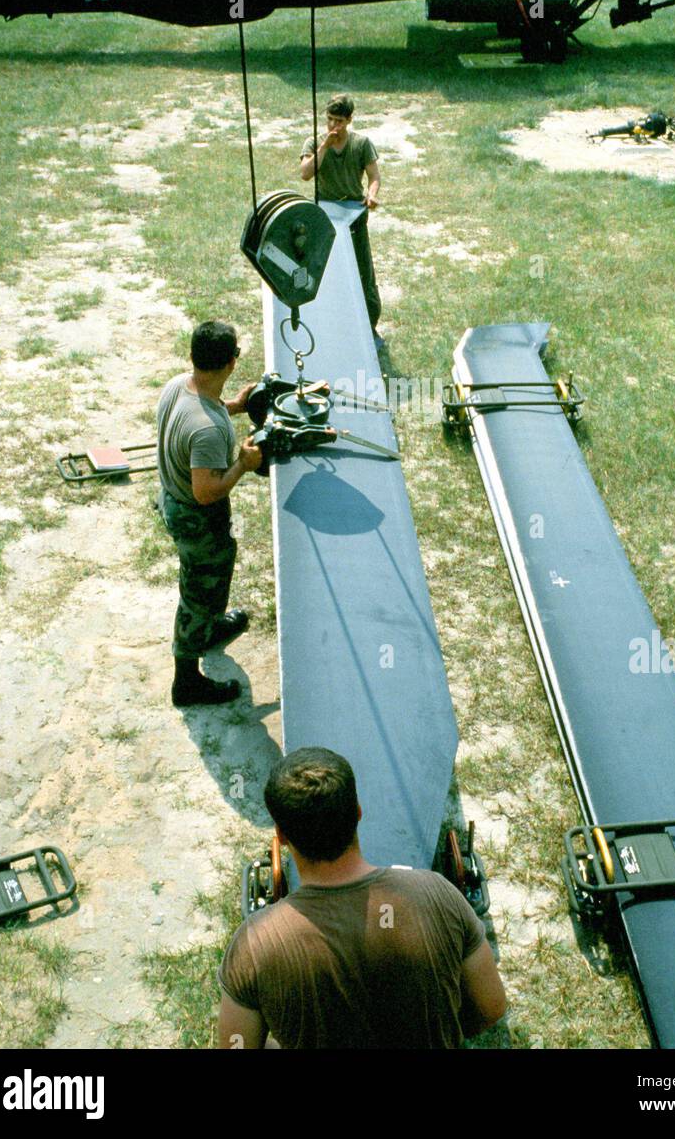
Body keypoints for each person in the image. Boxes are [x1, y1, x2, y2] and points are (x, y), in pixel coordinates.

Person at [217, 747, 507, 1049]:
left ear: (282, 835)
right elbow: (490, 1007)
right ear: (357, 812)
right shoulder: (438, 895)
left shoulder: (254, 946)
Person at [156, 320, 263, 708]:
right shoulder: (207, 432)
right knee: (197, 595)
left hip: (172, 498)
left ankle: (211, 628)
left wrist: (234, 405)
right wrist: (242, 465)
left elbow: (202, 412)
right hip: (195, 517)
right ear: (232, 362)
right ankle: (186, 682)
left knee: (212, 581)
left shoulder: (180, 384)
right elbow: (206, 492)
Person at [300, 93, 383, 340]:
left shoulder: (361, 143)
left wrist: (372, 194)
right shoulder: (314, 143)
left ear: (349, 120)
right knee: (323, 271)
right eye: (329, 119)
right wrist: (324, 146)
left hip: (353, 214)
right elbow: (305, 174)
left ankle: (369, 329)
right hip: (324, 213)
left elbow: (374, 176)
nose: (333, 126)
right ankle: (326, 325)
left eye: (339, 121)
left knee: (363, 273)